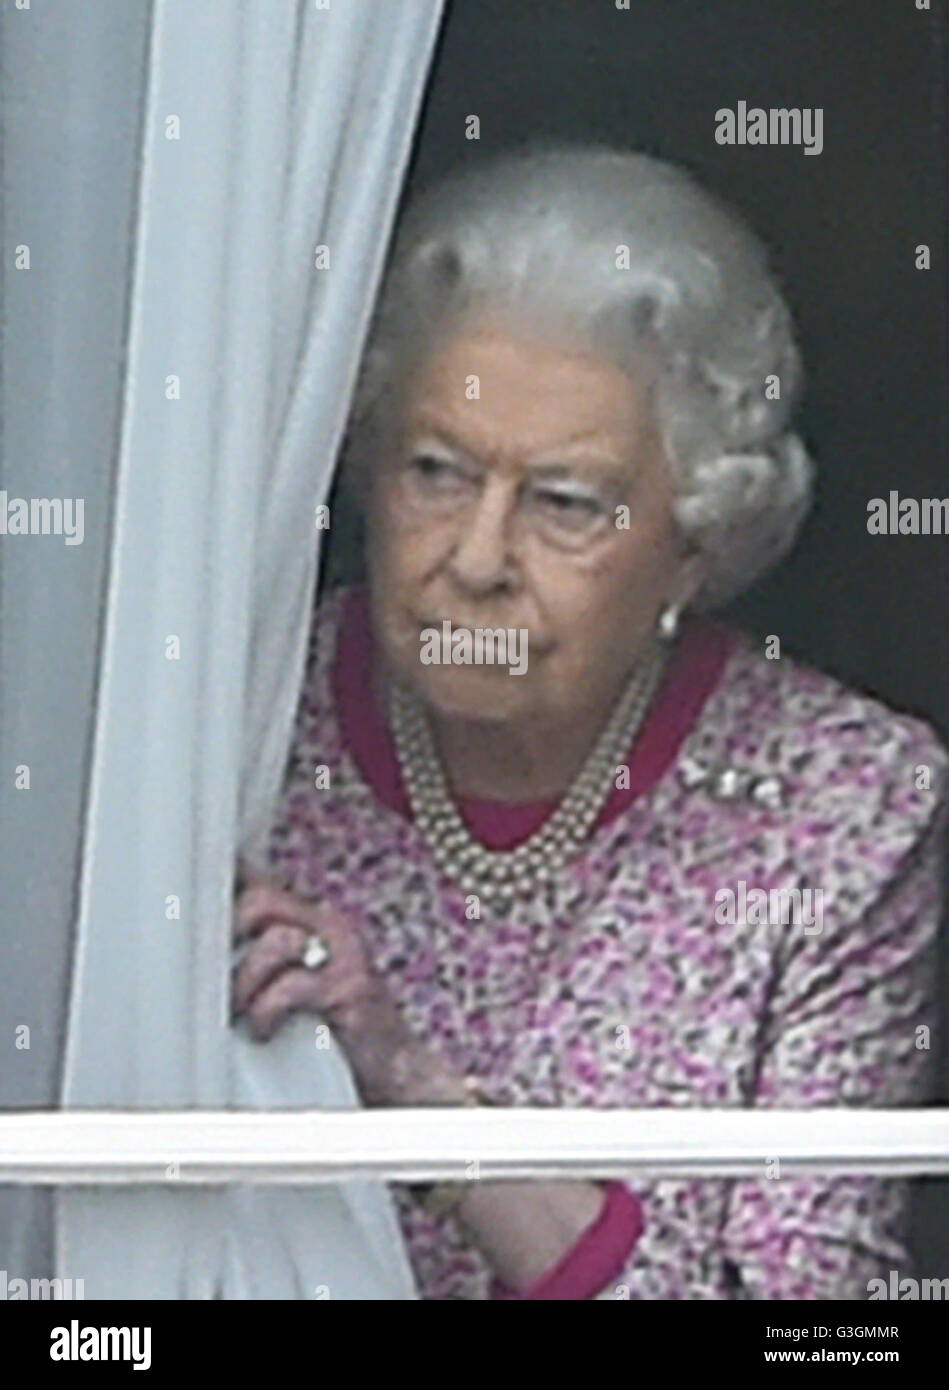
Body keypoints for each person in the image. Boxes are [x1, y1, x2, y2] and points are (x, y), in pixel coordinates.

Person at [232, 143, 947, 1299]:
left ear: (700, 537)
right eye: (433, 472)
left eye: (562, 503)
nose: (473, 561)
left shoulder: (837, 808)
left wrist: (414, 1093)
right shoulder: (235, 731)